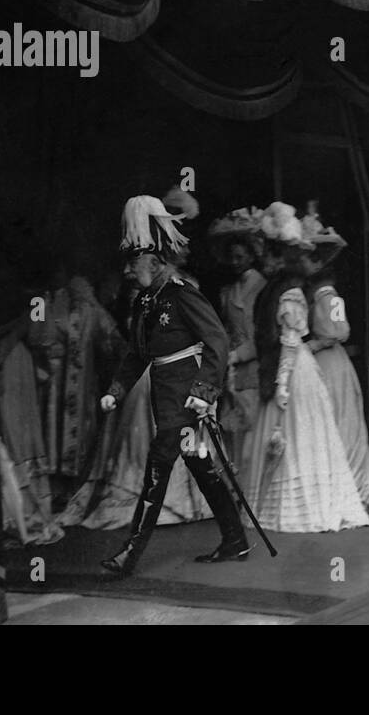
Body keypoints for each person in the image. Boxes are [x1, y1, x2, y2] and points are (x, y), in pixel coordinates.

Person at [98, 196, 248, 576]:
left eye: (134, 263)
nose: (129, 271)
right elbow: (137, 353)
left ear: (154, 260)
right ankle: (236, 539)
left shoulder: (181, 292)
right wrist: (116, 391)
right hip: (164, 397)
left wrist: (203, 393)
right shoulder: (147, 300)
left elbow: (217, 340)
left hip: (185, 400)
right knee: (200, 465)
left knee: (156, 469)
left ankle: (129, 555)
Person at [249, 202, 369, 531]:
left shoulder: (325, 295)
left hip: (317, 360)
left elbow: (338, 330)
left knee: (313, 427)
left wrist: (305, 354)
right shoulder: (292, 291)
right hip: (304, 359)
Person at [303, 217, 369, 505]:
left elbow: (339, 330)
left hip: (331, 362)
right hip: (323, 361)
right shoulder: (313, 295)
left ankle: (347, 487)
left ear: (319, 264)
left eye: (310, 260)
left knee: (338, 420)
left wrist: (313, 344)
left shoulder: (329, 296)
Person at [208, 209, 268, 477]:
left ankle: (251, 482)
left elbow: (260, 332)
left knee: (253, 426)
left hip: (253, 364)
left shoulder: (260, 287)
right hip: (232, 366)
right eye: (231, 257)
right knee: (233, 429)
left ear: (252, 255)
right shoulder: (228, 291)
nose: (235, 262)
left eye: (240, 257)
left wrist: (240, 354)